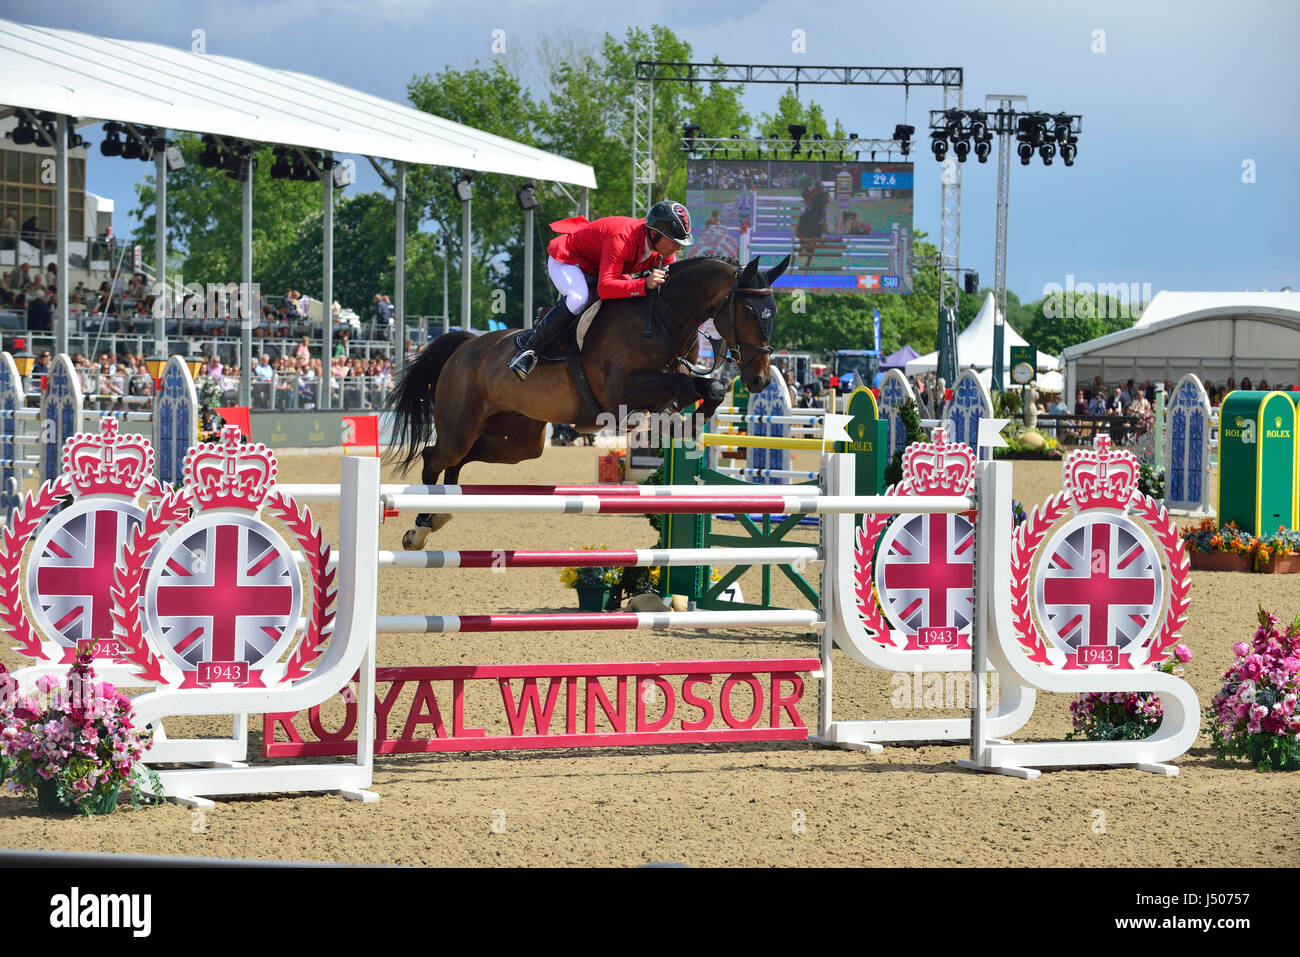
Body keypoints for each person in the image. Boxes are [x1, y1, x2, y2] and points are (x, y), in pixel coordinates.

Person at [508, 200, 694, 381]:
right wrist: (644, 284)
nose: (677, 247)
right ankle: (528, 351)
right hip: (570, 260)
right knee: (578, 299)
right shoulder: (622, 237)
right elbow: (605, 288)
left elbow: (671, 279)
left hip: (598, 268)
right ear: (654, 233)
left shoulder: (661, 247)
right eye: (674, 241)